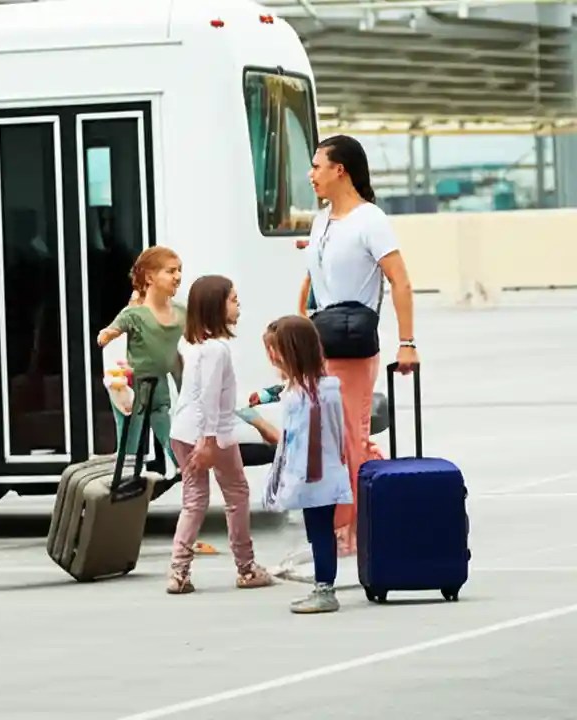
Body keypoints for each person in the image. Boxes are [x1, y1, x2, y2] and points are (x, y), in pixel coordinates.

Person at [300, 134, 420, 557]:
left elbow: (400, 281)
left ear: (340, 170)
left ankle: (350, 529)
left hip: (351, 346)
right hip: (320, 342)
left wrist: (407, 343)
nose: (311, 174)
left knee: (350, 436)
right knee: (327, 438)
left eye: (317, 166)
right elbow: (313, 280)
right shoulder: (322, 221)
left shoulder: (371, 220)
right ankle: (346, 519)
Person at [164, 274, 275, 594]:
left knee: (194, 501)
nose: (238, 305)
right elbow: (211, 398)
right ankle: (246, 567)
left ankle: (179, 571)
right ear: (216, 306)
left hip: (182, 431)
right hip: (213, 435)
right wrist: (209, 441)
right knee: (237, 495)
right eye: (233, 299)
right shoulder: (217, 350)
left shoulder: (191, 342)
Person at [259, 316, 353, 613]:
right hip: (326, 472)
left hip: (313, 476)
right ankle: (322, 586)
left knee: (321, 532)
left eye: (275, 351)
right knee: (319, 531)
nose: (271, 357)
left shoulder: (303, 396)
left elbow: (294, 442)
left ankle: (325, 589)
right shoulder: (322, 387)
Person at [97, 246, 185, 499]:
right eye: (171, 271)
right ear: (149, 278)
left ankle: (175, 462)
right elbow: (106, 335)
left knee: (161, 421)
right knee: (135, 425)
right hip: (132, 384)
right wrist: (108, 335)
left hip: (156, 382)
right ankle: (129, 475)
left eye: (179, 271)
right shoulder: (133, 315)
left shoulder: (178, 311)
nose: (177, 276)